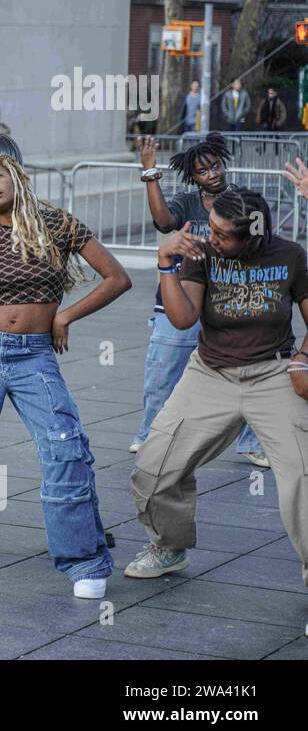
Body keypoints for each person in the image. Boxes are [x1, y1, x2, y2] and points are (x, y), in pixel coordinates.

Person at [0, 144, 132, 599]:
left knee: (64, 448)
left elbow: (117, 277)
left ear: (17, 176)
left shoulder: (57, 223)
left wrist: (66, 316)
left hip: (33, 353)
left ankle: (83, 560)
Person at [128, 185, 308, 589]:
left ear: (254, 236)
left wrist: (302, 359)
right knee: (153, 466)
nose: (213, 237)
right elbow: (181, 319)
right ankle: (170, 546)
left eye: (223, 234)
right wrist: (166, 264)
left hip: (272, 374)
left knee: (302, 481)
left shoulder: (289, 256)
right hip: (209, 373)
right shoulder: (202, 253)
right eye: (211, 228)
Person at [133, 133, 266, 464]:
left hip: (229, 302)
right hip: (180, 299)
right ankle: (150, 435)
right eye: (203, 171)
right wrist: (150, 173)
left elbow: (262, 242)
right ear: (193, 177)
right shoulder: (187, 203)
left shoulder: (243, 201)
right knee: (163, 373)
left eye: (216, 166)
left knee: (249, 373)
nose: (212, 174)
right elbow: (164, 222)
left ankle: (251, 442)